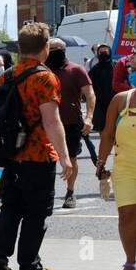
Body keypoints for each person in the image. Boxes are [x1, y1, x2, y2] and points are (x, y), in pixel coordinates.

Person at [0, 24, 72, 270]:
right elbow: (51, 121)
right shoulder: (45, 77)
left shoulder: (8, 75)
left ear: (20, 48)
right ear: (46, 47)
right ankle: (29, 265)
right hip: (37, 155)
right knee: (37, 212)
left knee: (11, 206)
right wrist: (65, 157)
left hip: (10, 153)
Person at [96, 70, 136, 270]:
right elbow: (108, 134)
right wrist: (101, 164)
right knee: (127, 215)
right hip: (126, 169)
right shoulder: (121, 100)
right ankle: (130, 262)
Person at [45, 37, 96, 208]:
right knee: (46, 159)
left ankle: (70, 192)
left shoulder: (76, 70)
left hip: (70, 122)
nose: (53, 53)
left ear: (63, 50)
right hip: (45, 123)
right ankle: (47, 193)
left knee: (71, 158)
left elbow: (90, 95)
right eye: (50, 49)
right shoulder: (43, 71)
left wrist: (89, 118)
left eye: (56, 49)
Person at [89, 44, 117, 135]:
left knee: (116, 127)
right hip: (99, 105)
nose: (104, 54)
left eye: (106, 52)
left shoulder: (116, 67)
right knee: (102, 129)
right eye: (101, 52)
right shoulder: (94, 70)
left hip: (115, 101)